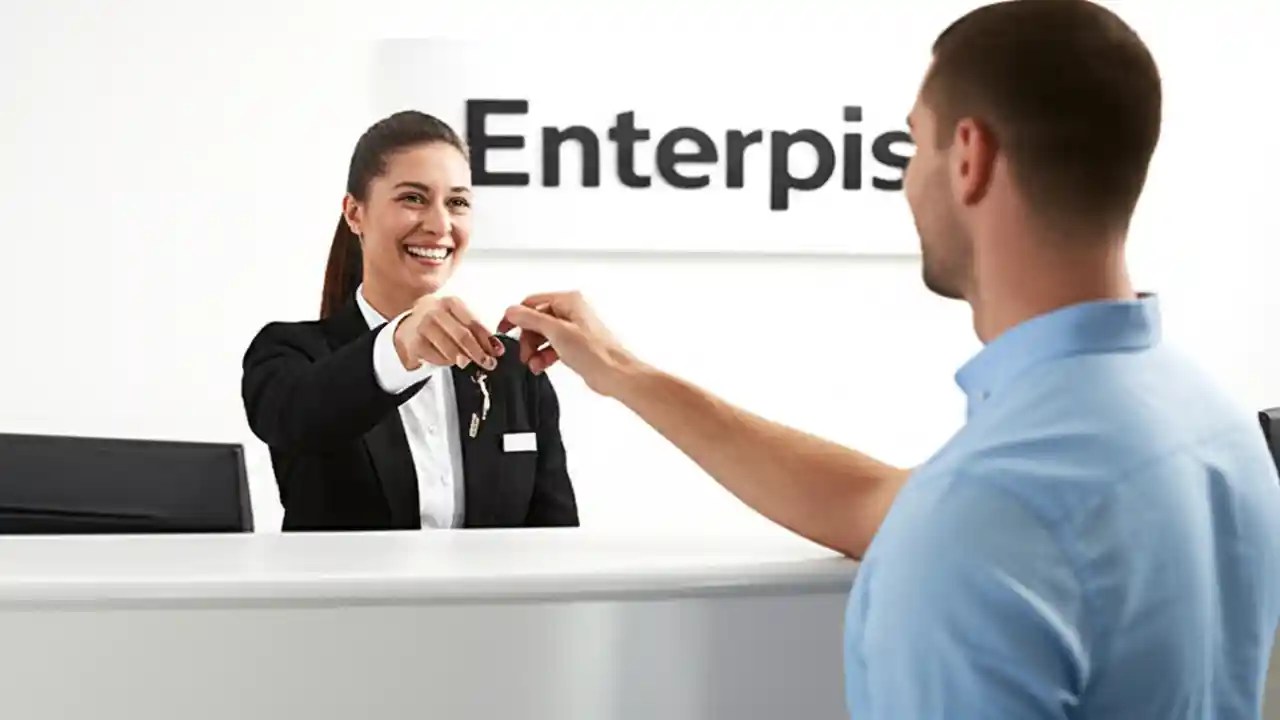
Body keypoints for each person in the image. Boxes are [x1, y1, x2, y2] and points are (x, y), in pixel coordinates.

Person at [497, 1, 1280, 717]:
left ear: (968, 156)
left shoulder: (979, 517)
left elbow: (944, 520)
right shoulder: (1213, 426)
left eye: (913, 144)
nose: (906, 181)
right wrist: (624, 374)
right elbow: (879, 504)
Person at [241, 110, 578, 532]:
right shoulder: (290, 354)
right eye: (413, 198)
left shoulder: (512, 370)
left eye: (457, 203)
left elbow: (554, 543)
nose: (440, 225)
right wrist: (399, 345)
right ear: (354, 213)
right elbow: (300, 420)